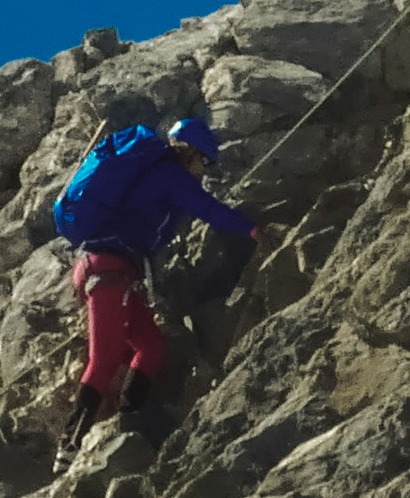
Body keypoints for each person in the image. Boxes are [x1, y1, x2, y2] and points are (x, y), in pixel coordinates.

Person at [61, 116, 265, 435]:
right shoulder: (171, 175)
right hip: (108, 268)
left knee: (150, 344)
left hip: (105, 267)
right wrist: (251, 229)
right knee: (105, 357)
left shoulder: (157, 174)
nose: (206, 169)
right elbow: (208, 209)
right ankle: (71, 440)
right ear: (191, 152)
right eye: (205, 160)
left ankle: (130, 421)